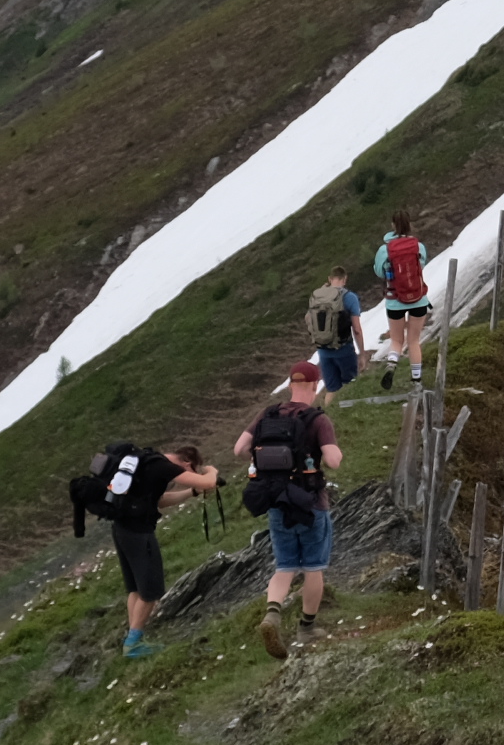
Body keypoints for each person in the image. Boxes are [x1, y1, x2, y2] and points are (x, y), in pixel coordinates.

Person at [239, 359, 345, 657]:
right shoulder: (317, 419)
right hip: (311, 504)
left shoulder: (268, 414)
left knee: (285, 565)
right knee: (313, 568)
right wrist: (332, 451)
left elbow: (239, 449)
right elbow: (334, 460)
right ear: (314, 385)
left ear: (289, 385)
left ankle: (272, 613)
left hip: (277, 503)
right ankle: (306, 628)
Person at [72, 439, 215, 652]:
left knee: (136, 589)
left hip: (122, 528)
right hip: (138, 533)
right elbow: (208, 483)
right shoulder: (164, 466)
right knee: (151, 591)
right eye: (191, 470)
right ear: (186, 462)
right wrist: (211, 471)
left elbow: (158, 501)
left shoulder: (145, 462)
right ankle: (133, 644)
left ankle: (134, 637)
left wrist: (190, 494)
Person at [374, 214, 435, 383]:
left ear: (393, 225)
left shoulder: (384, 250)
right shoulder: (419, 247)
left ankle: (392, 364)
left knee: (396, 339)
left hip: (395, 301)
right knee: (413, 340)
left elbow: (379, 272)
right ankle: (416, 379)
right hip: (418, 298)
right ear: (409, 224)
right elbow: (420, 266)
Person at [307, 266, 365, 399]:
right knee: (351, 386)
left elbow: (309, 319)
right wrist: (362, 354)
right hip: (344, 350)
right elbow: (357, 329)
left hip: (323, 350)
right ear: (345, 279)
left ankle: (328, 418)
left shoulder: (317, 296)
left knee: (331, 390)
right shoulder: (350, 297)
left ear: (330, 279)